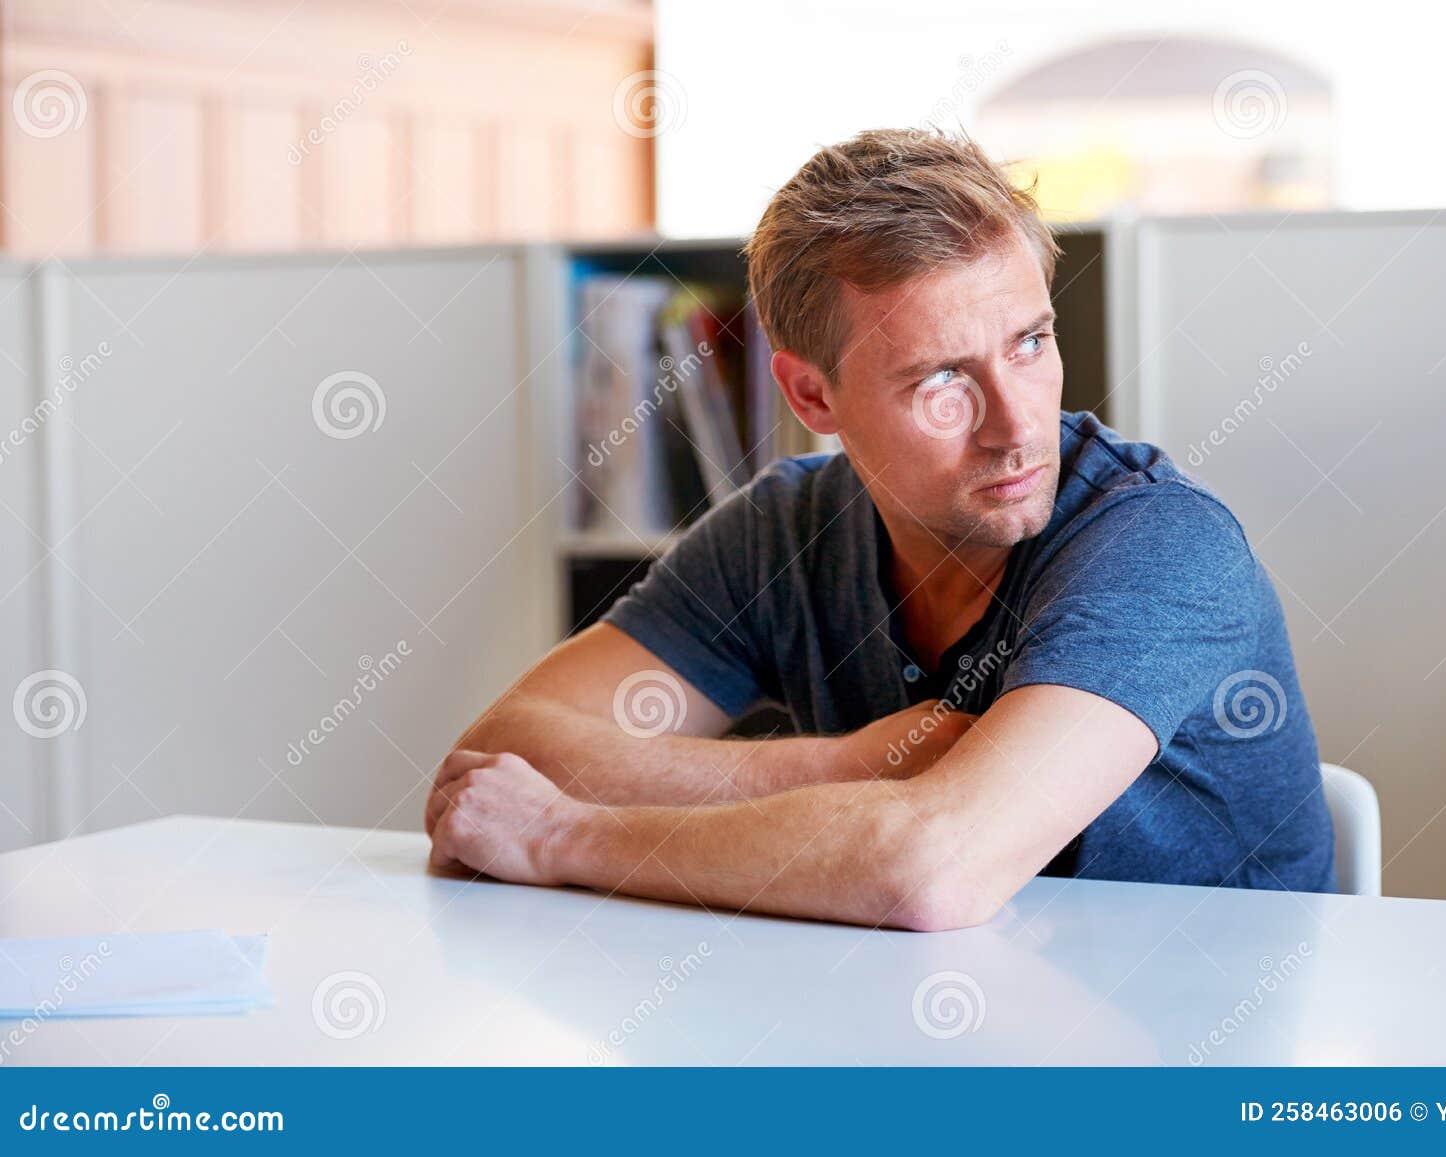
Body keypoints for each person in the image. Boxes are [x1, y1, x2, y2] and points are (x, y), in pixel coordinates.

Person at [425, 128, 1335, 931]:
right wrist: (845, 766)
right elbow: (504, 751)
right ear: (813, 394)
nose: (1016, 424)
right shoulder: (784, 532)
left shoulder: (1162, 546)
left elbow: (931, 870)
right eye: (941, 378)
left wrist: (557, 833)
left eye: (1029, 341)